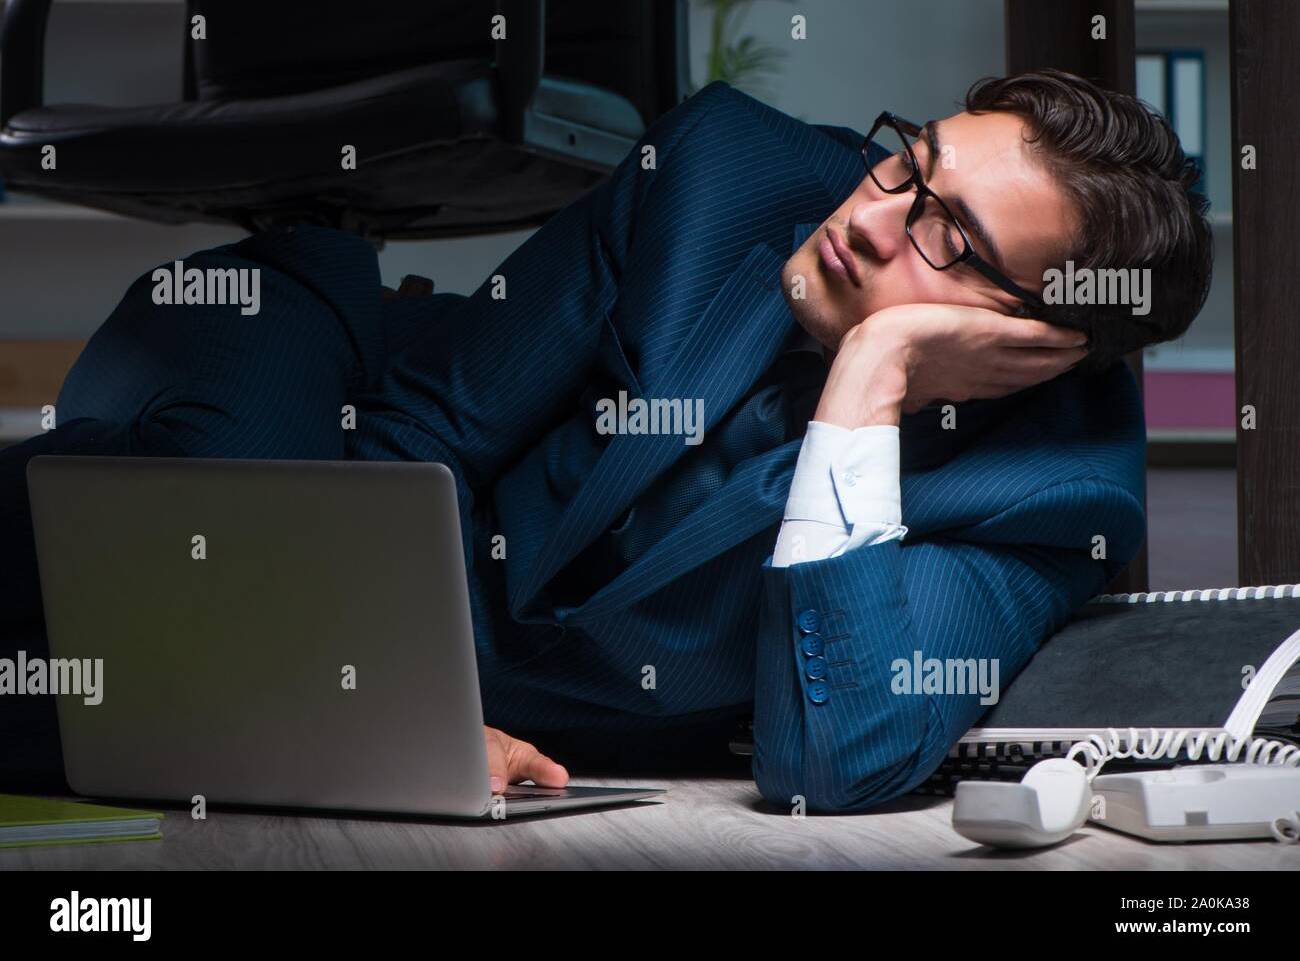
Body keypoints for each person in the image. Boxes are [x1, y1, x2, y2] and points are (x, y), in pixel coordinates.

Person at [0, 69, 1211, 811]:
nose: (874, 214)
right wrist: (390, 700)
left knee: (131, 656)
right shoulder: (721, 173)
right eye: (912, 161)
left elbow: (836, 759)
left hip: (432, 671)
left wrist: (869, 378)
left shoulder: (1055, 492)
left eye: (947, 239)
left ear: (1043, 336)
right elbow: (428, 429)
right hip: (318, 395)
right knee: (202, 549)